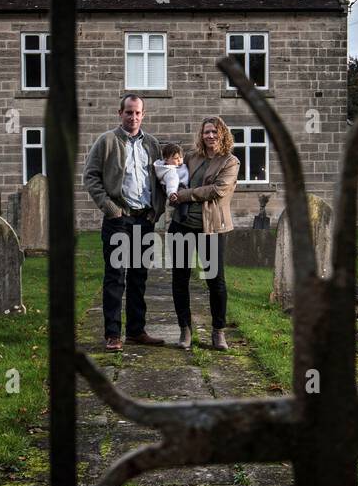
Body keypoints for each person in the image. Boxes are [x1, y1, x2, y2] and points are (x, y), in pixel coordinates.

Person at [82, 93, 167, 351]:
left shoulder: (152, 144)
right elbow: (91, 176)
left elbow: (163, 179)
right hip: (119, 220)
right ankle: (112, 334)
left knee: (139, 278)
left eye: (137, 113)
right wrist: (110, 208)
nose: (133, 117)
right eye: (128, 112)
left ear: (143, 115)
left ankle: (136, 331)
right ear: (120, 114)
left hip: (144, 220)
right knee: (116, 278)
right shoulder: (106, 141)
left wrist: (157, 211)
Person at [168, 116, 240, 351]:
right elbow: (173, 177)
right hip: (182, 225)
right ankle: (184, 330)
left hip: (211, 228)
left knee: (215, 281)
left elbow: (218, 190)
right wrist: (173, 191)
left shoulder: (230, 162)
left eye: (215, 132)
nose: (210, 136)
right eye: (207, 132)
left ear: (223, 134)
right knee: (180, 279)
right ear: (201, 134)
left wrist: (186, 195)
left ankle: (218, 331)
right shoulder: (190, 157)